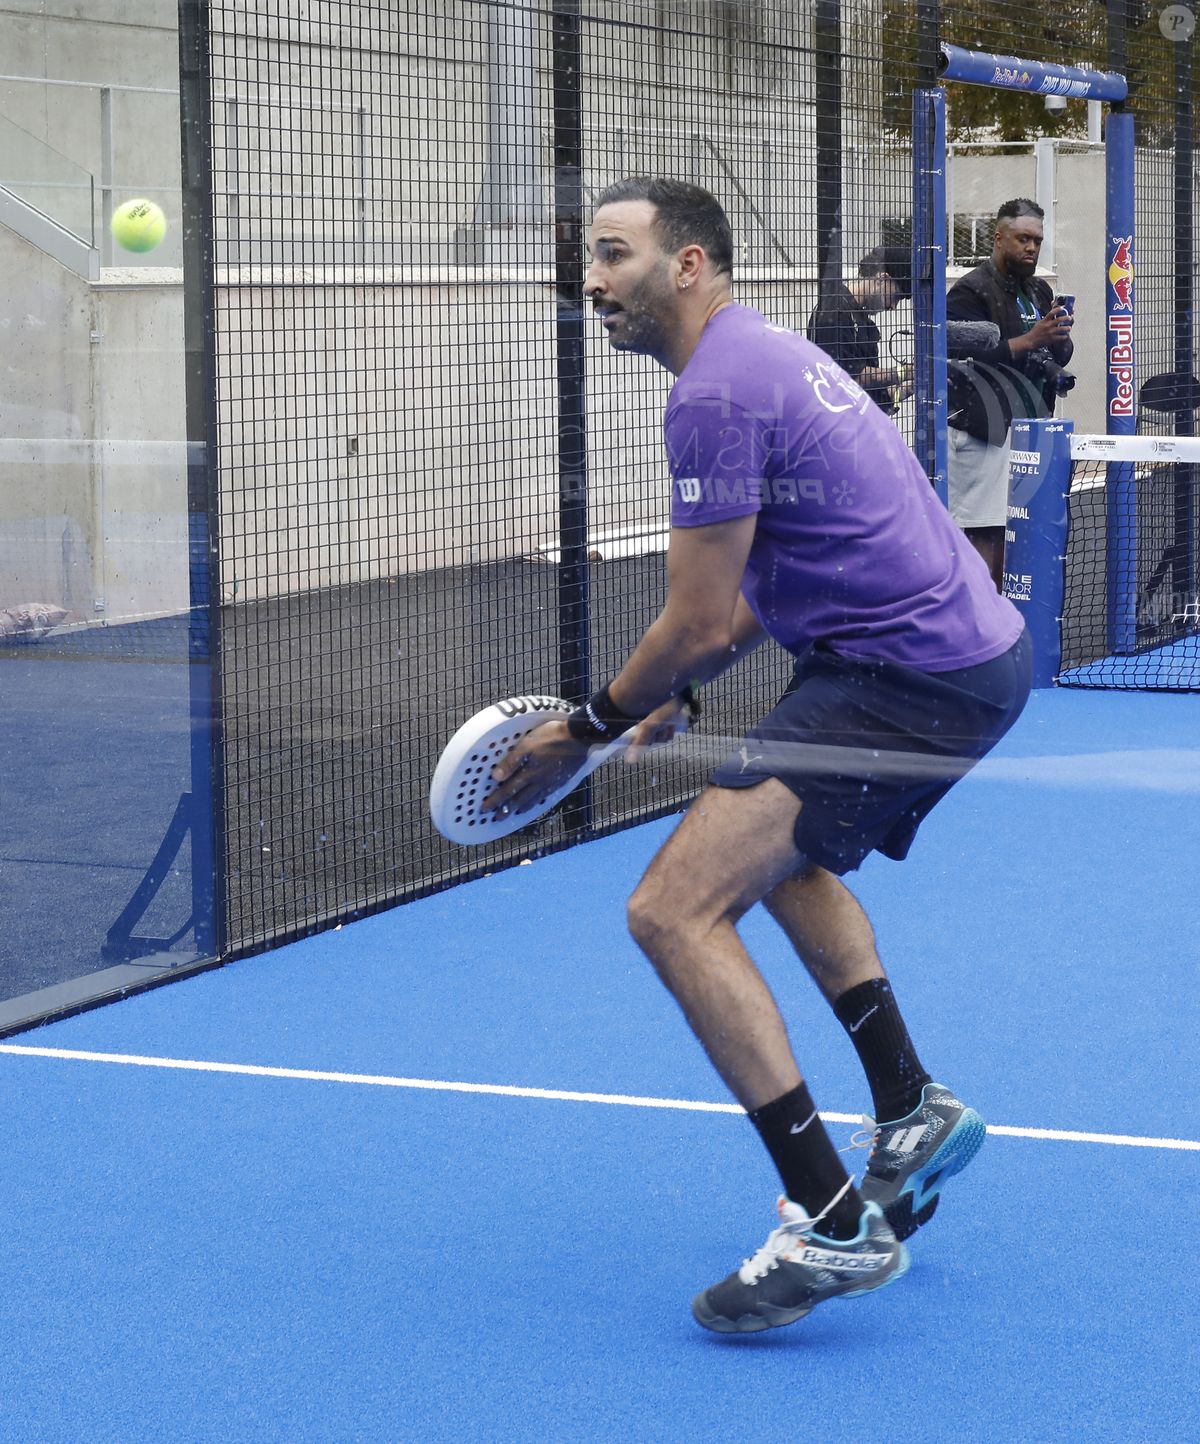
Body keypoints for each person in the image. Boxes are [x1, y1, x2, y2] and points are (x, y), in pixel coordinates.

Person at [483, 177, 1031, 1335]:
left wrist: (582, 729)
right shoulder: (764, 356)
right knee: (773, 859)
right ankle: (910, 1107)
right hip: (927, 658)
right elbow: (726, 612)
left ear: (688, 266)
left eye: (615, 255)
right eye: (591, 257)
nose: (592, 281)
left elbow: (690, 618)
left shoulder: (715, 394)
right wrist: (675, 687)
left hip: (909, 678)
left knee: (671, 909)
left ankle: (832, 1223)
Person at [946, 198, 1075, 590]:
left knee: (1020, 539)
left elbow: (1052, 353)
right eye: (1022, 238)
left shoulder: (1036, 290)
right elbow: (963, 358)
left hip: (1030, 431)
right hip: (982, 434)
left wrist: (1058, 338)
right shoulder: (967, 292)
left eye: (1037, 239)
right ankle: (976, 635)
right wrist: (1030, 339)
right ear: (999, 238)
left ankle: (1006, 632)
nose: (1031, 247)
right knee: (982, 541)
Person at [806, 243, 914, 414]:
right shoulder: (834, 311)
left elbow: (872, 397)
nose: (893, 306)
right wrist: (906, 372)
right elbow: (849, 379)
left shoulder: (864, 322)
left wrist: (912, 385)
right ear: (882, 280)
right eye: (896, 297)